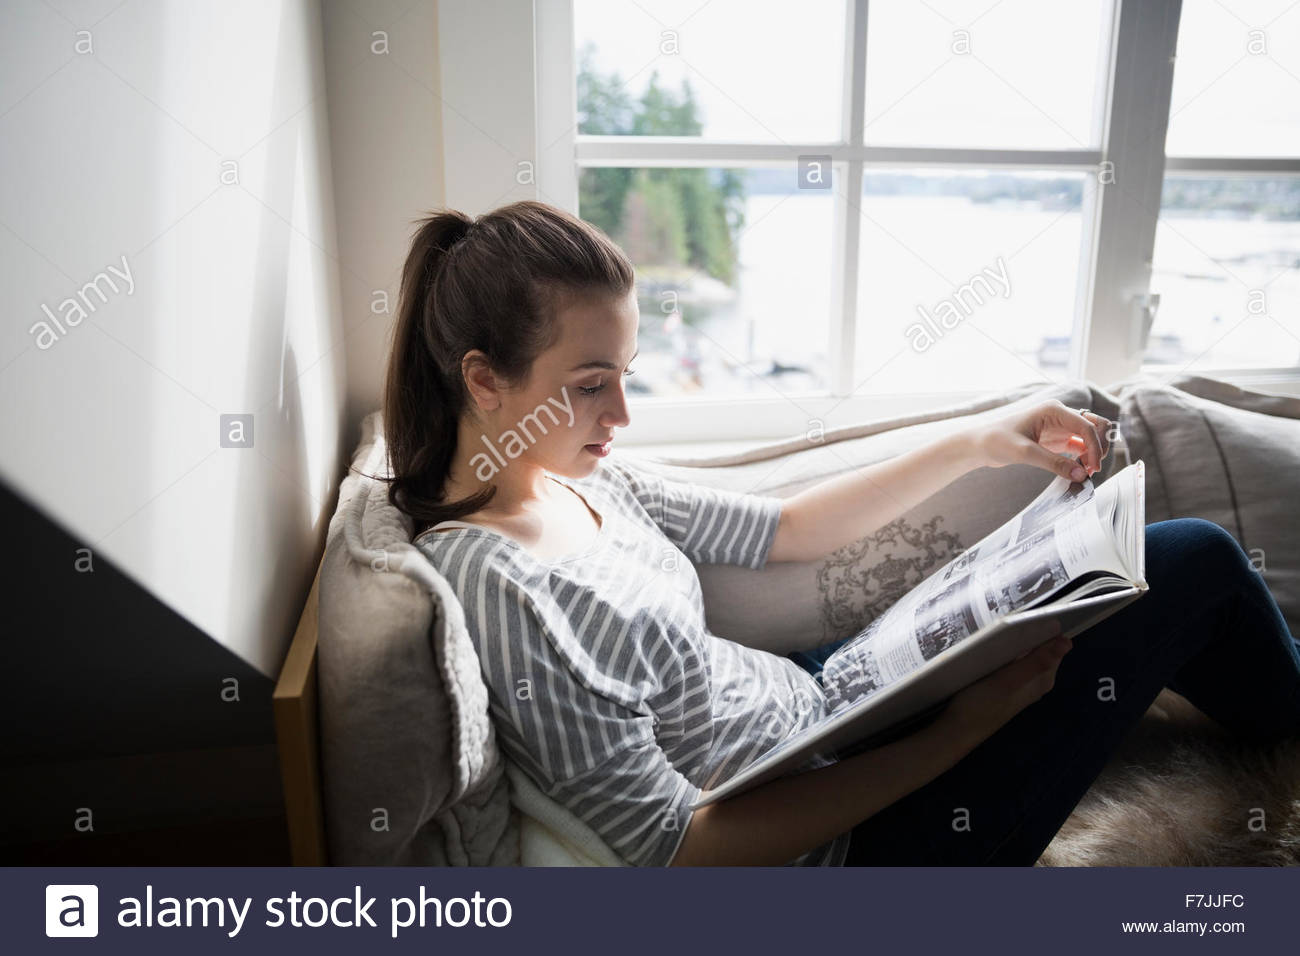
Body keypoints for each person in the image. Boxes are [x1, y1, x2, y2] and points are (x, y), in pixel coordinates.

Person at [381, 200, 1300, 867]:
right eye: (590, 383)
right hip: (863, 840)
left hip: (836, 699)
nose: (622, 409)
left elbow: (784, 528)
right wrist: (958, 735)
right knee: (1199, 563)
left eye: (624, 372)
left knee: (1103, 564)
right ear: (483, 379)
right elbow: (677, 851)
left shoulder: (588, 478)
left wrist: (980, 442)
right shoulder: (500, 586)